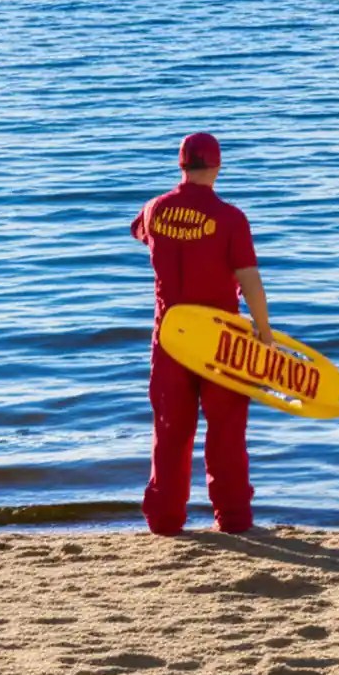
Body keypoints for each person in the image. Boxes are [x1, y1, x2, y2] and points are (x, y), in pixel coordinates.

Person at [130, 132, 273, 536]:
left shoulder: (154, 209)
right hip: (220, 339)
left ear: (181, 165)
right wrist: (264, 332)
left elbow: (141, 233)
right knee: (226, 430)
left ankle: (165, 520)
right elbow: (249, 280)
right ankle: (233, 519)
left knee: (171, 431)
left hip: (170, 338)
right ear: (218, 166)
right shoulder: (231, 218)